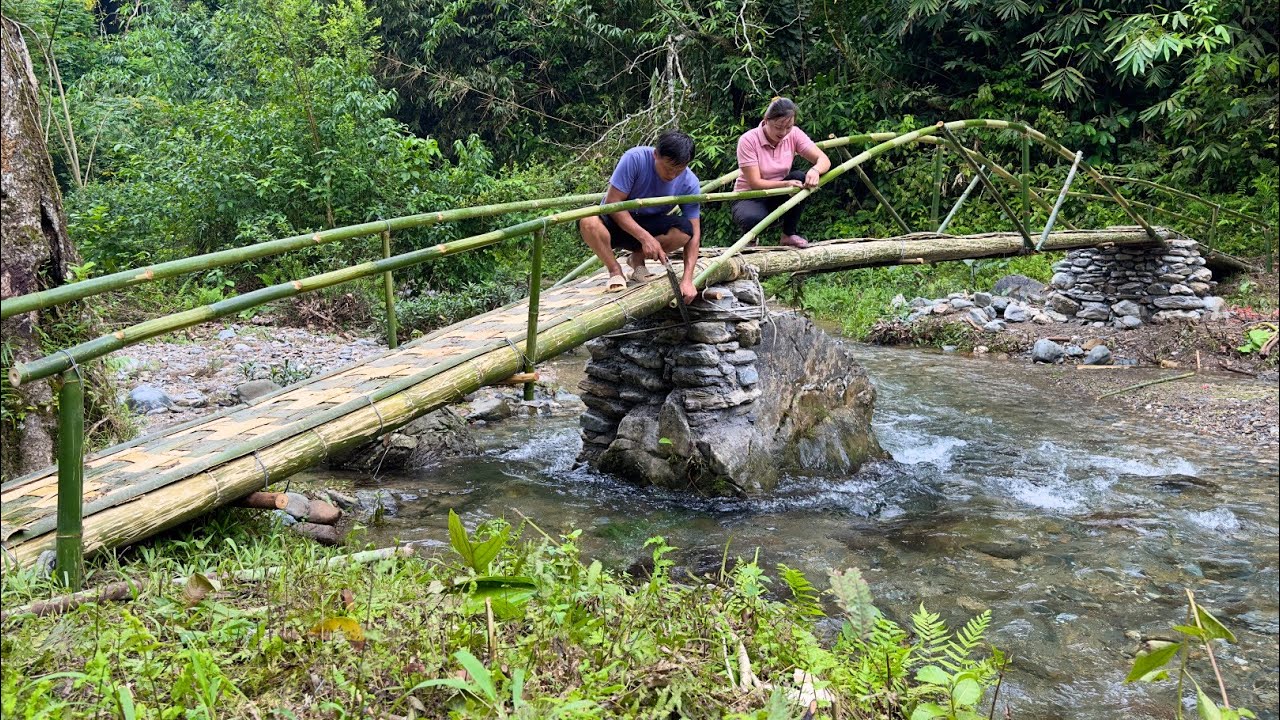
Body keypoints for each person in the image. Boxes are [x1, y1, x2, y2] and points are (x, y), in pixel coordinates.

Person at [578, 130, 701, 302]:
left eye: (679, 170)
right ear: (656, 154)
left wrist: (688, 279)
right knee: (588, 221)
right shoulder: (634, 159)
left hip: (650, 224)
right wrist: (645, 238)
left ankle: (637, 259)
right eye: (668, 168)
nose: (672, 175)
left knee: (685, 231)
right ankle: (615, 271)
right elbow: (612, 203)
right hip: (616, 220)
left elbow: (695, 232)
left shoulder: (690, 182)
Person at [731, 97, 831, 249]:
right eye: (778, 127)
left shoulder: (794, 134)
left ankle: (788, 234)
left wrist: (815, 170)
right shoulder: (748, 140)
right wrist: (785, 184)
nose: (783, 132)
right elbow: (755, 183)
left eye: (789, 127)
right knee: (752, 218)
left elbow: (823, 159)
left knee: (800, 177)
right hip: (750, 196)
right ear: (766, 120)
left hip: (779, 195)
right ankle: (750, 238)